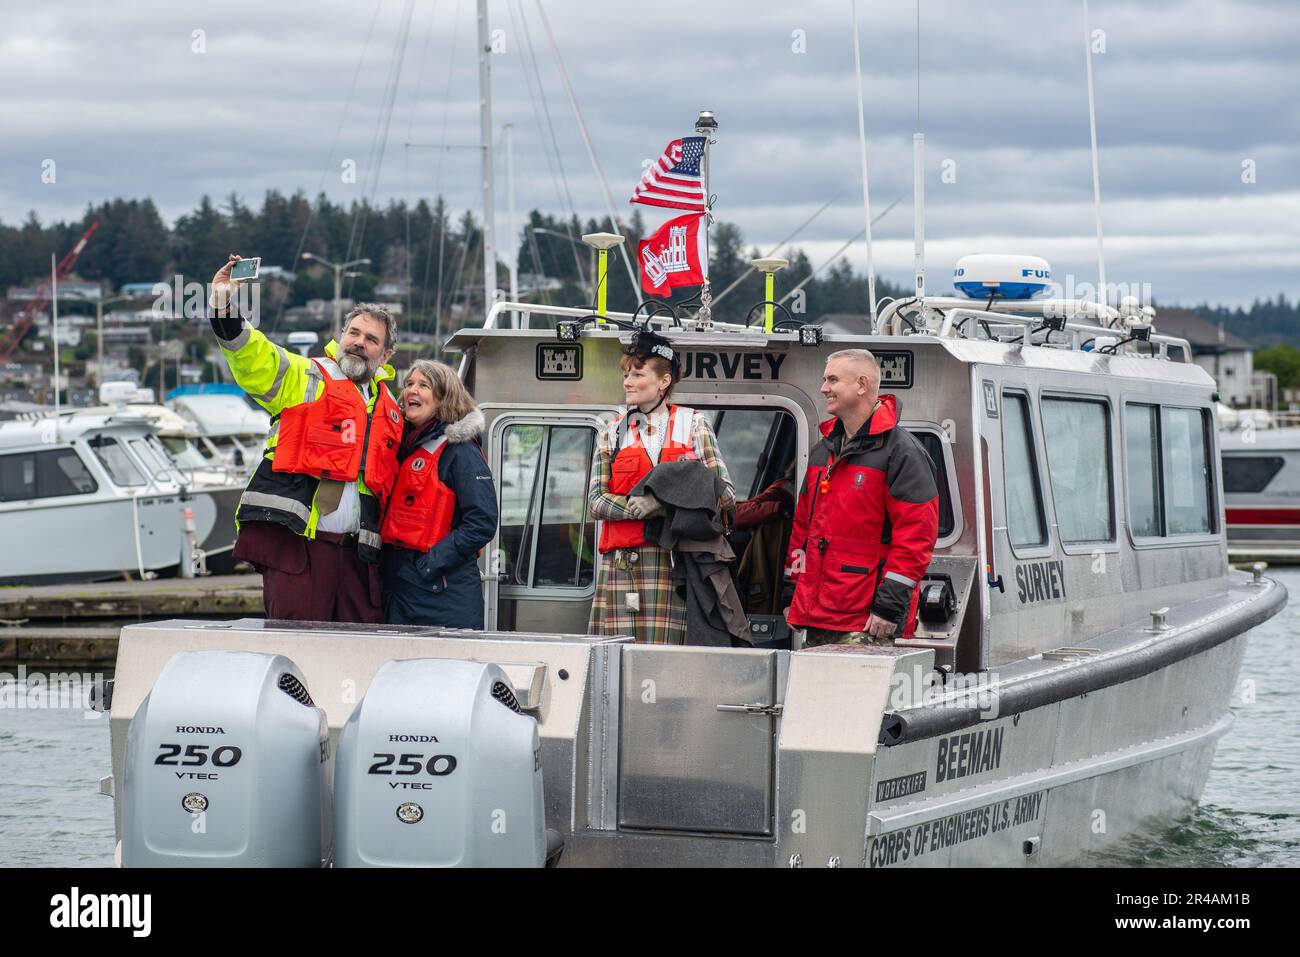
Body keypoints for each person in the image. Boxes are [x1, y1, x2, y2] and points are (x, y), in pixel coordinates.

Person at [208, 255, 403, 623]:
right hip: (300, 547)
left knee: (355, 655)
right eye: (354, 333)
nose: (359, 343)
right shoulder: (304, 376)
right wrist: (224, 304)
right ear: (341, 336)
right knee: (295, 647)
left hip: (358, 559)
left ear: (387, 354)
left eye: (371, 340)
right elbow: (252, 355)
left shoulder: (391, 409)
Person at [588, 329, 736, 644]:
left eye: (638, 374)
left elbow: (724, 495)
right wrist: (635, 506)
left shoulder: (694, 424)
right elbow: (596, 501)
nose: (627, 381)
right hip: (619, 569)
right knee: (614, 663)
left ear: (663, 382)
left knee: (666, 663)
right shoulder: (612, 431)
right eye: (625, 374)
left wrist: (662, 504)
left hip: (672, 565)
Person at [785, 349, 939, 646]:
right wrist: (790, 592)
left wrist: (888, 607)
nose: (823, 388)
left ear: (862, 384)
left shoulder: (902, 453)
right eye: (824, 379)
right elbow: (803, 529)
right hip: (818, 615)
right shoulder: (823, 451)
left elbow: (916, 539)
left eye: (832, 380)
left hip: (868, 621)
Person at [379, 359, 497, 628]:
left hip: (443, 593)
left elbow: (482, 522)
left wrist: (429, 565)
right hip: (401, 589)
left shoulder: (461, 450)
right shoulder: (401, 447)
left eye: (423, 385)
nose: (412, 391)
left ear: (444, 398)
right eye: (409, 384)